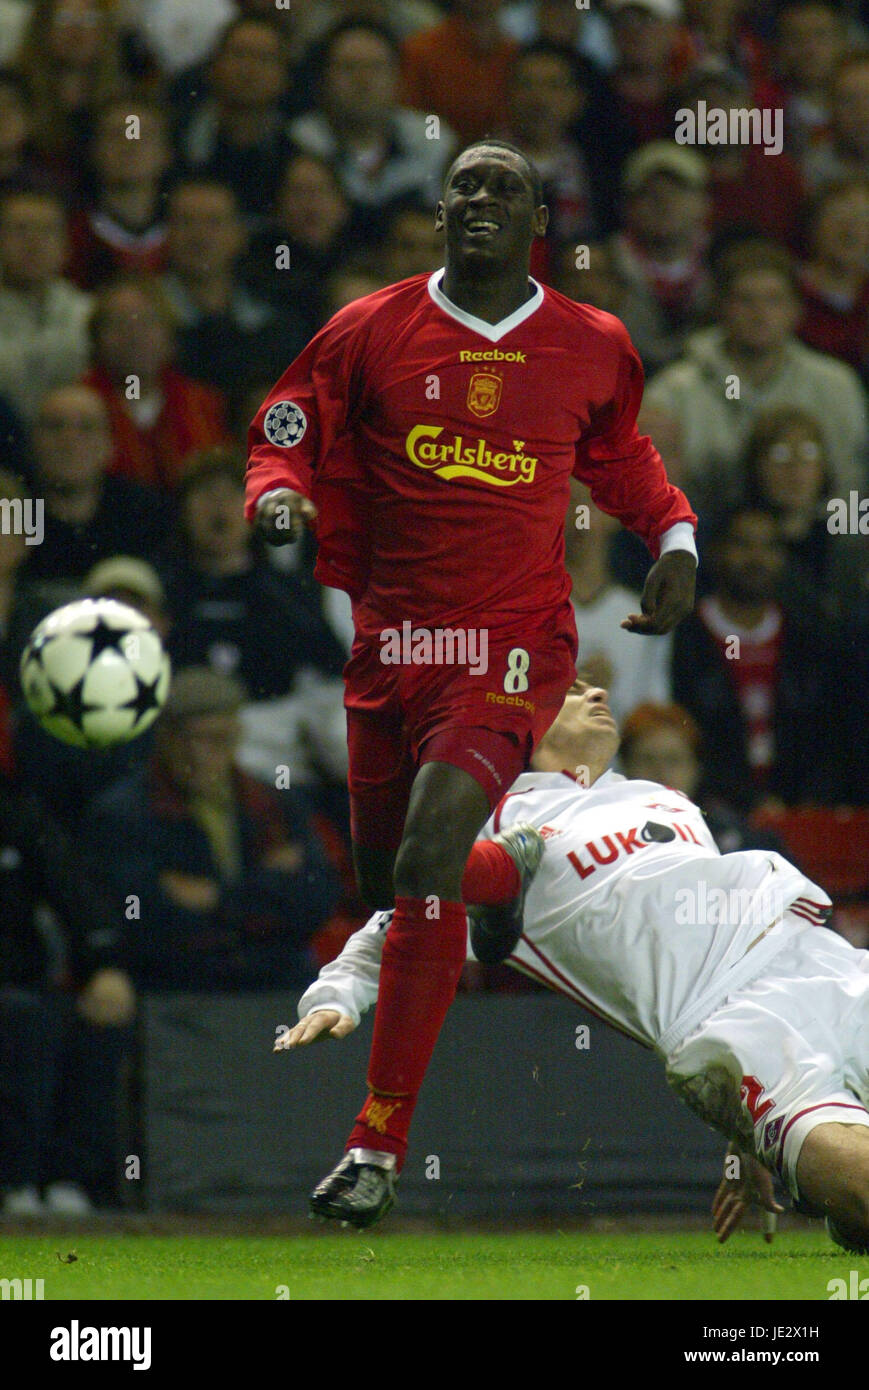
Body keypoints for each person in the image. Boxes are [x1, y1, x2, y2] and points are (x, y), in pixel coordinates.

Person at [245, 137, 698, 1226]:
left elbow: (621, 456)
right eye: (462, 188)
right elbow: (285, 427)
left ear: (539, 218)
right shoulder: (368, 327)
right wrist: (274, 494)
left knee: (420, 857)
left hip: (507, 648)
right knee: (388, 874)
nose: (478, 200)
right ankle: (513, 873)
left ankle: (376, 1145)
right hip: (390, 646)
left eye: (502, 187)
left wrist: (673, 536)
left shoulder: (589, 342)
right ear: (440, 214)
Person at [283, 679, 869, 1256]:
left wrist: (748, 1144)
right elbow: (405, 919)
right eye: (571, 690)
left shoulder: (660, 796)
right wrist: (333, 995)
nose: (598, 695)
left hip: (820, 955)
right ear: (522, 727)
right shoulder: (493, 829)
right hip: (735, 1021)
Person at [82, 666, 341, 993]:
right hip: (177, 982)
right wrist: (265, 892)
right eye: (190, 739)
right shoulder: (122, 815)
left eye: (218, 739)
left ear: (237, 735)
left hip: (275, 973)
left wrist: (216, 897)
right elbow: (142, 917)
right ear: (165, 739)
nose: (200, 755)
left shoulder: (274, 805)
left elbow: (316, 899)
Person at [645, 239, 868, 512]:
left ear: (796, 310)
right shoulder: (674, 391)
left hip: (815, 540)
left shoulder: (835, 385)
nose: (760, 314)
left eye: (774, 300)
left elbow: (851, 486)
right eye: (745, 300)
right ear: (721, 307)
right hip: (701, 539)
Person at [670, 505, 848, 812]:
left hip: (800, 815)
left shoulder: (807, 638)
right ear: (715, 551)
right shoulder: (684, 637)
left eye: (769, 546)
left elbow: (828, 737)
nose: (756, 557)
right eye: (742, 544)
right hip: (707, 814)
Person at [289, 19, 456, 247]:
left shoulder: (432, 141)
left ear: (397, 77)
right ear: (323, 78)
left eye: (376, 67)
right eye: (349, 68)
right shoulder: (299, 142)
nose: (363, 81)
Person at [82, 275, 227, 491]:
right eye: (118, 324)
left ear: (170, 335)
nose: (134, 336)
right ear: (96, 338)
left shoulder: (204, 404)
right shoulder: (77, 408)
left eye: (147, 322)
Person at [0, 188, 93, 423]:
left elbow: (130, 384)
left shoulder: (89, 313)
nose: (33, 243)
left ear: (66, 245)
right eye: (20, 230)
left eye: (46, 231)